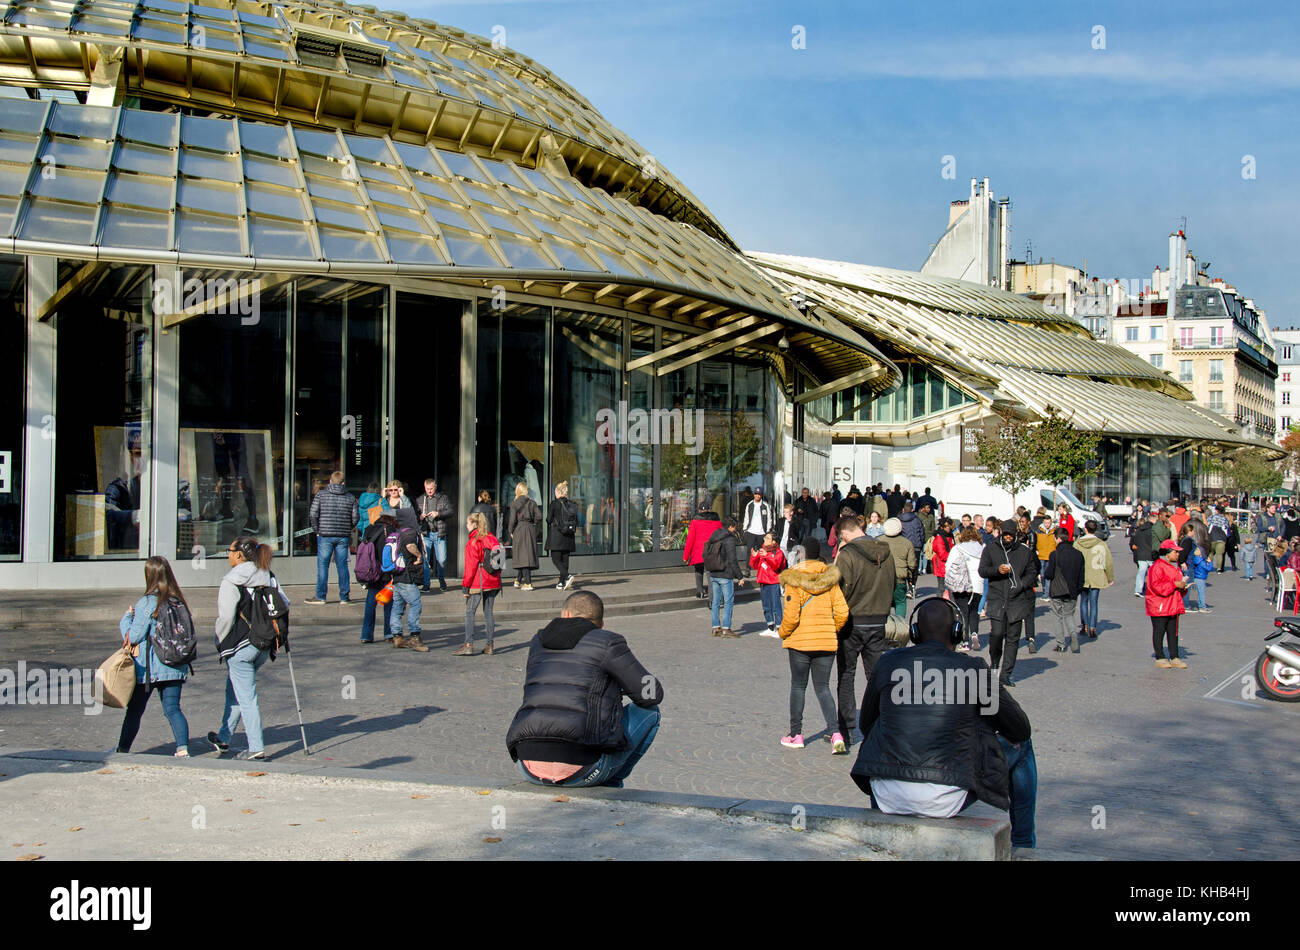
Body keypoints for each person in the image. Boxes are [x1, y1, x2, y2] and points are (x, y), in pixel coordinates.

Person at [850, 598, 1036, 847]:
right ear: (957, 633)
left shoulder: (889, 662)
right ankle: (1023, 844)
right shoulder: (973, 669)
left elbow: (866, 725)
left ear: (914, 633)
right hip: (946, 794)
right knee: (1022, 747)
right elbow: (1020, 729)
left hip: (886, 791)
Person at [507, 591, 664, 788]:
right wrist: (617, 687)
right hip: (582, 769)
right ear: (601, 623)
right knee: (650, 713)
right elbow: (651, 694)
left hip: (528, 764)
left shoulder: (538, 642)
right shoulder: (608, 642)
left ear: (565, 614)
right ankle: (612, 783)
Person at [209, 536, 281, 759]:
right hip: (264, 643)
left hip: (241, 645)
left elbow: (226, 616)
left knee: (247, 697)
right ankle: (224, 737)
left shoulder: (231, 580)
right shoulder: (268, 575)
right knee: (236, 690)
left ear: (239, 555)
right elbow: (283, 605)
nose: (228, 554)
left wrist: (219, 640)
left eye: (229, 550)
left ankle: (256, 748)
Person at [777, 537, 849, 752]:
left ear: (801, 554)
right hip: (826, 642)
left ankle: (796, 734)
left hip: (800, 642)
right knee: (823, 688)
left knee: (798, 687)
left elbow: (791, 617)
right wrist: (830, 628)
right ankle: (836, 732)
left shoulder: (794, 580)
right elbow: (843, 612)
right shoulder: (830, 580)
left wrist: (782, 633)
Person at [116, 557, 192, 756]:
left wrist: (126, 619)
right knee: (173, 709)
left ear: (148, 576)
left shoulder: (147, 602)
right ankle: (183, 749)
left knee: (135, 710)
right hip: (176, 664)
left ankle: (122, 749)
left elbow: (133, 637)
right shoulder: (178, 601)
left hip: (149, 669)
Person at [833, 515, 895, 748]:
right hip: (878, 620)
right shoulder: (886, 553)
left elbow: (839, 590)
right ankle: (878, 725)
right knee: (876, 676)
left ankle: (847, 728)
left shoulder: (848, 555)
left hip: (852, 621)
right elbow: (893, 584)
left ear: (845, 534)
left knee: (846, 675)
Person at [979, 518, 1038, 686]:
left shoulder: (1024, 551)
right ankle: (995, 663)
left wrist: (1021, 584)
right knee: (996, 634)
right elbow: (982, 570)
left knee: (1013, 639)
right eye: (1005, 535)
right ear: (1001, 534)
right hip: (997, 598)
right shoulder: (991, 549)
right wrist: (997, 571)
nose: (1008, 538)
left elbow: (1032, 572)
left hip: (1017, 600)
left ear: (1015, 535)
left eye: (1011, 535)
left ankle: (1006, 674)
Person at [305, 471, 359, 606]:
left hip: (324, 535)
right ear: (343, 483)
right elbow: (355, 518)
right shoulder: (350, 497)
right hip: (342, 536)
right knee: (342, 566)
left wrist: (317, 530)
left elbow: (312, 514)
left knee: (323, 566)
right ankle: (344, 597)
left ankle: (320, 596)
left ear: (330, 481)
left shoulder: (321, 495)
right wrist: (347, 528)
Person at [457, 511, 503, 656]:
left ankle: (468, 644)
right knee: (488, 612)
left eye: (468, 523)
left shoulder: (473, 542)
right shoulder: (492, 538)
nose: (466, 525)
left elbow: (470, 567)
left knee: (470, 612)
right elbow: (500, 562)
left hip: (478, 582)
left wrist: (466, 587)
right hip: (493, 581)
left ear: (474, 524)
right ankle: (490, 645)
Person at [388, 510, 429, 651]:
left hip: (397, 575)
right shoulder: (410, 532)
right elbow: (410, 546)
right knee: (415, 603)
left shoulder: (398, 532)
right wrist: (418, 556)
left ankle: (397, 636)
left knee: (397, 606)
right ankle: (415, 636)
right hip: (407, 575)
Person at [1041, 527, 1084, 653]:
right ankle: (1073, 635)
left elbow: (1049, 574)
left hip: (1057, 590)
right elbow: (1082, 574)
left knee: (1057, 616)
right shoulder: (1078, 554)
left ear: (1058, 538)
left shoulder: (1055, 554)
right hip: (1073, 590)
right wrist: (1079, 588)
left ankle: (1061, 643)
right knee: (1069, 615)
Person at [1147, 540, 1189, 668]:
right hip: (1160, 605)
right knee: (1159, 631)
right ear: (1167, 553)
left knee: (1173, 632)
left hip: (1173, 604)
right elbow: (1156, 587)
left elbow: (1175, 585)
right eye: (1175, 552)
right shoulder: (1157, 567)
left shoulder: (1174, 567)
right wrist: (1175, 584)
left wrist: (1183, 587)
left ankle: (1174, 656)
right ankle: (1159, 657)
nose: (1177, 554)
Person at [944, 527, 984, 652]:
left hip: (961, 585)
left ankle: (965, 641)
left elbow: (948, 566)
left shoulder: (957, 548)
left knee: (962, 612)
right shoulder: (983, 548)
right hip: (978, 584)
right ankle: (974, 634)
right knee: (974, 611)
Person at [705, 516, 746, 638]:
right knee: (728, 601)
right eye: (735, 527)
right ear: (731, 526)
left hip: (713, 571)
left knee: (716, 601)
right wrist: (740, 576)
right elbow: (733, 559)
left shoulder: (715, 535)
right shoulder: (729, 539)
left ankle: (715, 627)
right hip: (725, 573)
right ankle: (726, 628)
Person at [359, 514, 397, 643]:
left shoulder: (369, 529)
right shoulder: (390, 530)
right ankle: (389, 633)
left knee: (370, 604)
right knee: (388, 605)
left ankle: (366, 635)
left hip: (371, 572)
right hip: (385, 571)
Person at [1074, 519, 1113, 639]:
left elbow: (1074, 560)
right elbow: (1108, 562)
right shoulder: (1101, 544)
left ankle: (1084, 625)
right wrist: (1110, 577)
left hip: (1082, 575)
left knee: (1083, 601)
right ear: (1095, 529)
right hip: (1097, 575)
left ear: (1085, 529)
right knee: (1094, 602)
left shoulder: (1077, 543)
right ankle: (1092, 627)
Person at [416, 478, 454, 592]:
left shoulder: (443, 497)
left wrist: (438, 514)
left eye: (431, 488)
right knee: (426, 560)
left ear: (435, 487)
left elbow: (451, 511)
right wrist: (420, 517)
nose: (429, 491)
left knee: (441, 560)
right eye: (427, 489)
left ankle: (441, 580)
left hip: (439, 533)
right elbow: (415, 516)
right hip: (426, 533)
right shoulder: (420, 500)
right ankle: (426, 584)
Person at [750, 532, 788, 637]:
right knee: (766, 606)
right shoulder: (763, 551)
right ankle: (770, 626)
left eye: (768, 538)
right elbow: (755, 566)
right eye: (765, 538)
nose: (765, 540)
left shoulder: (778, 552)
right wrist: (754, 556)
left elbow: (776, 565)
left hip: (773, 582)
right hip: (763, 581)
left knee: (776, 605)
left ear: (774, 541)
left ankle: (780, 628)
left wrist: (767, 556)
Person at [507, 482, 542, 591]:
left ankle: (528, 583)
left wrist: (510, 531)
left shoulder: (514, 504)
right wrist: (533, 524)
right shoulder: (532, 502)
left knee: (522, 556)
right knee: (526, 554)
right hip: (530, 529)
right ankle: (518, 579)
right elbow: (539, 516)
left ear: (517, 491)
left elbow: (512, 520)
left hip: (519, 529)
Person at [683, 502, 721, 599]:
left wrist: (686, 556)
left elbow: (690, 539)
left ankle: (700, 592)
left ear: (699, 510)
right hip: (712, 552)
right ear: (709, 509)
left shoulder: (695, 522)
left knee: (698, 570)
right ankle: (712, 598)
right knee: (710, 574)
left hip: (698, 552)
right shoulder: (717, 522)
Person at [546, 482, 579, 590]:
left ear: (559, 492)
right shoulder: (571, 504)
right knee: (565, 559)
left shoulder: (554, 503)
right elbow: (576, 520)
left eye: (555, 491)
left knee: (555, 558)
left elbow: (549, 519)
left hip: (557, 535)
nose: (554, 493)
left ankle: (567, 575)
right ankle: (561, 582)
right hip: (569, 536)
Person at [881, 517, 916, 617]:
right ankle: (900, 627)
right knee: (900, 602)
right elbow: (912, 565)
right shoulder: (907, 543)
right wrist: (910, 578)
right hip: (899, 578)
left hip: (883, 579)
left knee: (884, 605)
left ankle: (886, 628)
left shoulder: (878, 541)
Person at [1131, 510, 1158, 597]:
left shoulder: (1139, 529)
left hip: (1141, 553)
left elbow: (1135, 540)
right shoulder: (1153, 530)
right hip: (1150, 553)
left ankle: (1138, 590)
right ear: (1153, 520)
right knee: (1153, 573)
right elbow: (1154, 542)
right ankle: (1152, 590)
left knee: (1141, 572)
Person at [742, 486, 773, 560]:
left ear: (761, 495)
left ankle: (761, 567)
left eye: (759, 494)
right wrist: (745, 529)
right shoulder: (749, 505)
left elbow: (769, 519)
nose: (757, 496)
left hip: (761, 532)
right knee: (749, 551)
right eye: (756, 493)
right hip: (751, 531)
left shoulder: (765, 506)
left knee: (762, 551)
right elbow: (746, 517)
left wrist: (768, 530)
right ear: (753, 494)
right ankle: (748, 569)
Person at [930, 516, 955, 592]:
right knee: (942, 589)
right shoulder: (939, 538)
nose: (948, 528)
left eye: (949, 526)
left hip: (950, 566)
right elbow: (942, 555)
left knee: (950, 589)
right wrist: (954, 558)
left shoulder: (950, 536)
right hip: (941, 566)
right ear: (941, 527)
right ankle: (939, 603)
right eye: (946, 526)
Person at [1207, 505, 1230, 573]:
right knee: (1219, 554)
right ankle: (1219, 568)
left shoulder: (1211, 517)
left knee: (1211, 553)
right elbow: (1227, 528)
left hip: (1212, 537)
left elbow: (1207, 525)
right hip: (1221, 538)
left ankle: (1209, 567)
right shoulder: (1224, 519)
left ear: (1216, 510)